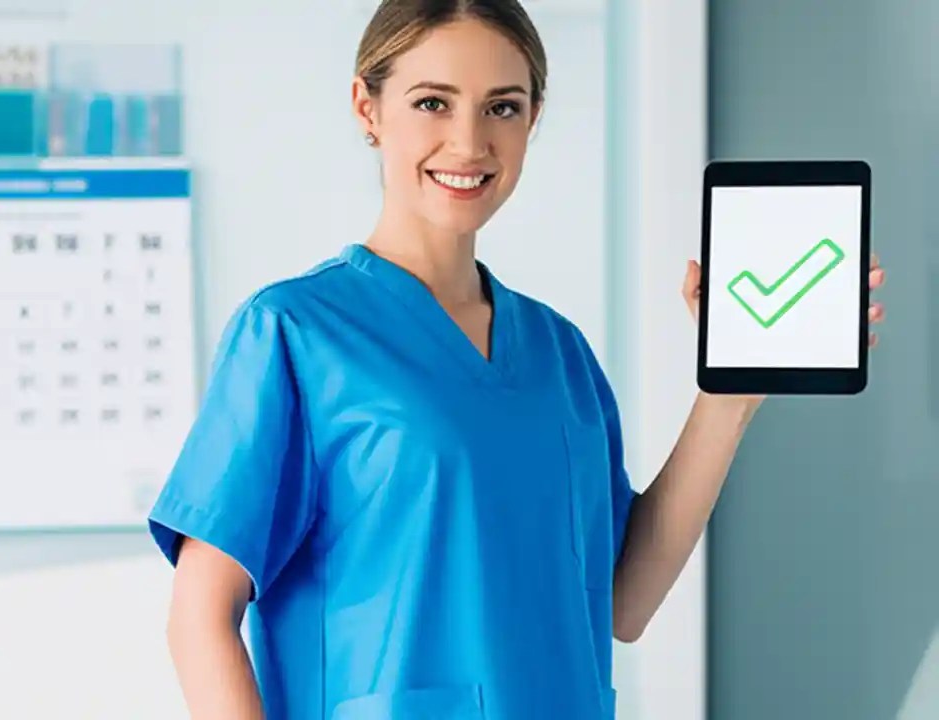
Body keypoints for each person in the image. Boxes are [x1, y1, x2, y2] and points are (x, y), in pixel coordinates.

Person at [146, 1, 888, 718]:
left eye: (502, 106)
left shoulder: (557, 351)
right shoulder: (296, 332)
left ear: (533, 118)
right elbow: (201, 619)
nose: (469, 142)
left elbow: (622, 601)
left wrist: (732, 393)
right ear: (367, 109)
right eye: (433, 103)